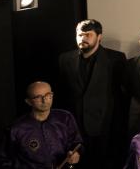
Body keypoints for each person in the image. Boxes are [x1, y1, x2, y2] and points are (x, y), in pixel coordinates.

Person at [56, 18, 126, 169]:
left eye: (88, 34)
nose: (83, 38)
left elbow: (121, 96)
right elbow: (61, 95)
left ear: (99, 37)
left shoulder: (116, 59)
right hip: (74, 130)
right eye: (79, 35)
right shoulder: (64, 59)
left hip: (103, 129)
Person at [0, 82, 82, 169]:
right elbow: (1, 160)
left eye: (48, 95)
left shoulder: (65, 117)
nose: (45, 100)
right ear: (28, 101)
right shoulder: (16, 128)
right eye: (38, 97)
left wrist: (76, 154)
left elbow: (77, 143)